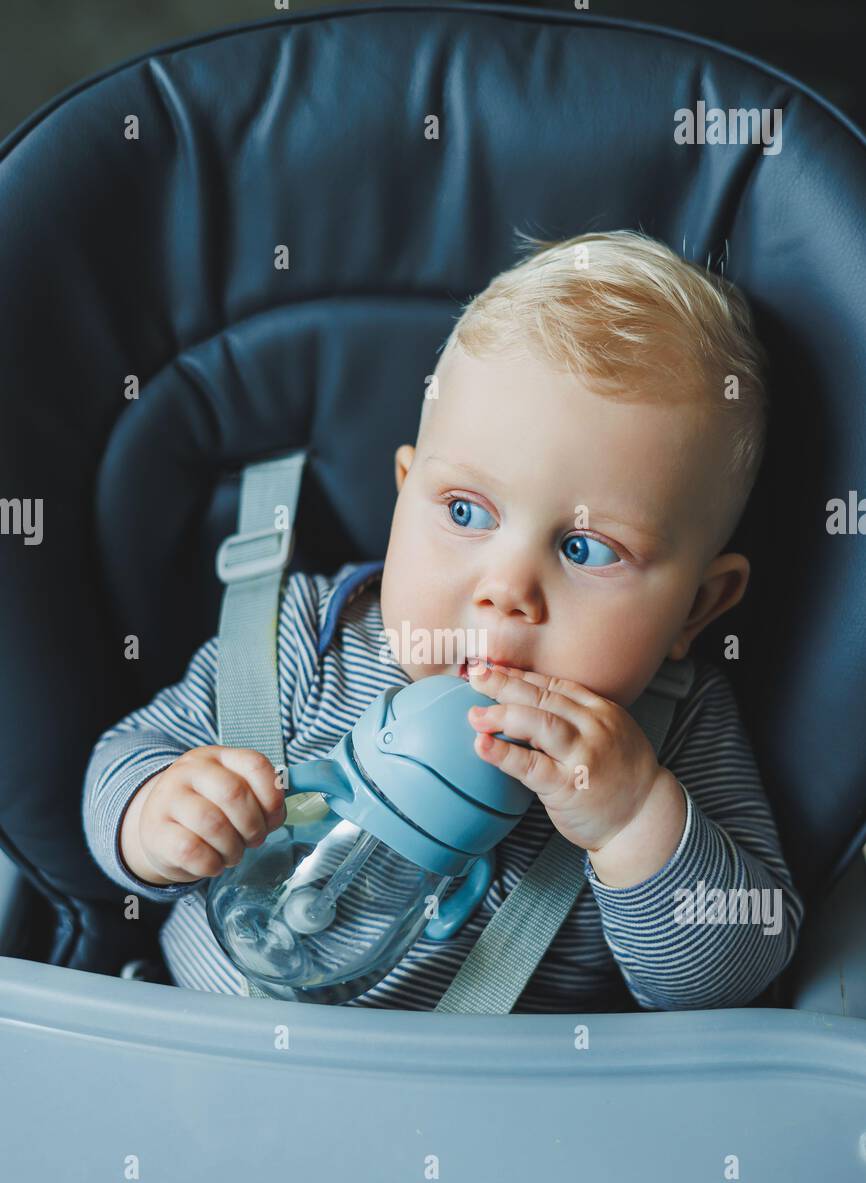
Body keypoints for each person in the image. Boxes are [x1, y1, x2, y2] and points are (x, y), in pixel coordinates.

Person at [82, 229, 804, 1010]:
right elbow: (122, 757)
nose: (507, 589)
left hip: (487, 1116)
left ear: (697, 607)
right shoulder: (302, 639)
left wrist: (631, 820)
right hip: (203, 1054)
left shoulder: (673, 731)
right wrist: (154, 817)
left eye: (588, 548)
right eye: (466, 511)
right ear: (403, 495)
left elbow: (738, 975)